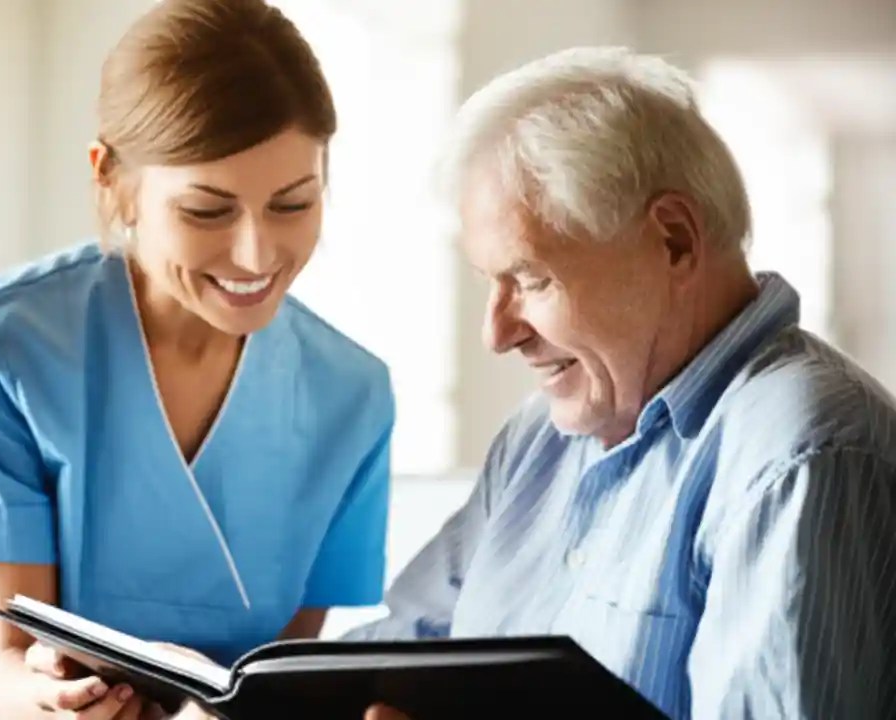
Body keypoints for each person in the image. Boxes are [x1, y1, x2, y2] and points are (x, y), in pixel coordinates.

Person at [0, 1, 395, 717]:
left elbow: (281, 679)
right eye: (207, 210)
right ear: (111, 178)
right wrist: (59, 697)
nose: (256, 255)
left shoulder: (351, 395)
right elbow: (3, 672)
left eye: (293, 204)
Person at [346, 47, 896, 719]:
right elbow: (399, 654)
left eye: (532, 279)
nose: (498, 333)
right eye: (489, 282)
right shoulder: (537, 439)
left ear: (674, 241)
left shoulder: (802, 452)